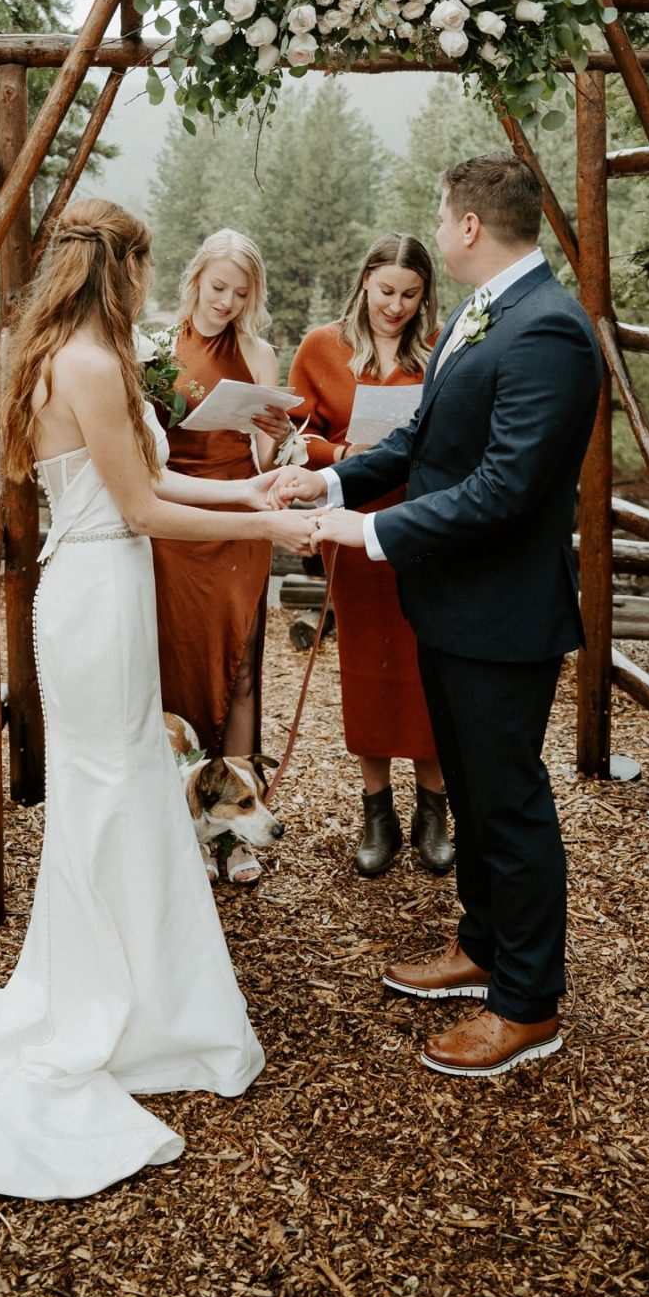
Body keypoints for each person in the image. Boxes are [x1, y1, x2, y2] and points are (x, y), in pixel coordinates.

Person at [0, 200, 313, 1197]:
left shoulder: (84, 352)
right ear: (124, 267)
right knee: (110, 793)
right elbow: (138, 507)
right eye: (145, 266)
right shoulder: (92, 364)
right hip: (98, 592)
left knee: (127, 789)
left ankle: (142, 991)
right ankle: (116, 1001)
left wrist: (252, 494)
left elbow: (148, 481)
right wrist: (266, 530)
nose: (149, 282)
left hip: (108, 584)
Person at [272, 157, 601, 1079]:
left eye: (440, 212)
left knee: (510, 803)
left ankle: (527, 1005)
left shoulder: (548, 329)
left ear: (467, 226)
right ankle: (484, 948)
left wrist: (367, 531)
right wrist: (332, 483)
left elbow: (503, 489)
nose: (438, 223)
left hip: (502, 612)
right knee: (472, 786)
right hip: (450, 605)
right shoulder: (475, 313)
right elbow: (423, 440)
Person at [285, 233, 454, 877]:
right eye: (386, 291)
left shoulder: (441, 347)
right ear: (364, 282)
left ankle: (434, 809)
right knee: (367, 666)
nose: (396, 306)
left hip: (423, 525)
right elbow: (295, 438)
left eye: (410, 295)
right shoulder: (321, 347)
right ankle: (377, 810)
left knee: (428, 665)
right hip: (351, 524)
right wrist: (340, 455)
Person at [152, 230, 291, 882]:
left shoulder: (259, 354)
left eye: (239, 293)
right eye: (217, 288)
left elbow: (263, 461)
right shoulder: (155, 347)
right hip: (177, 525)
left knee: (240, 670)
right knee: (174, 670)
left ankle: (238, 834)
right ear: (195, 280)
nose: (226, 302)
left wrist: (275, 434)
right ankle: (179, 827)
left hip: (239, 522)